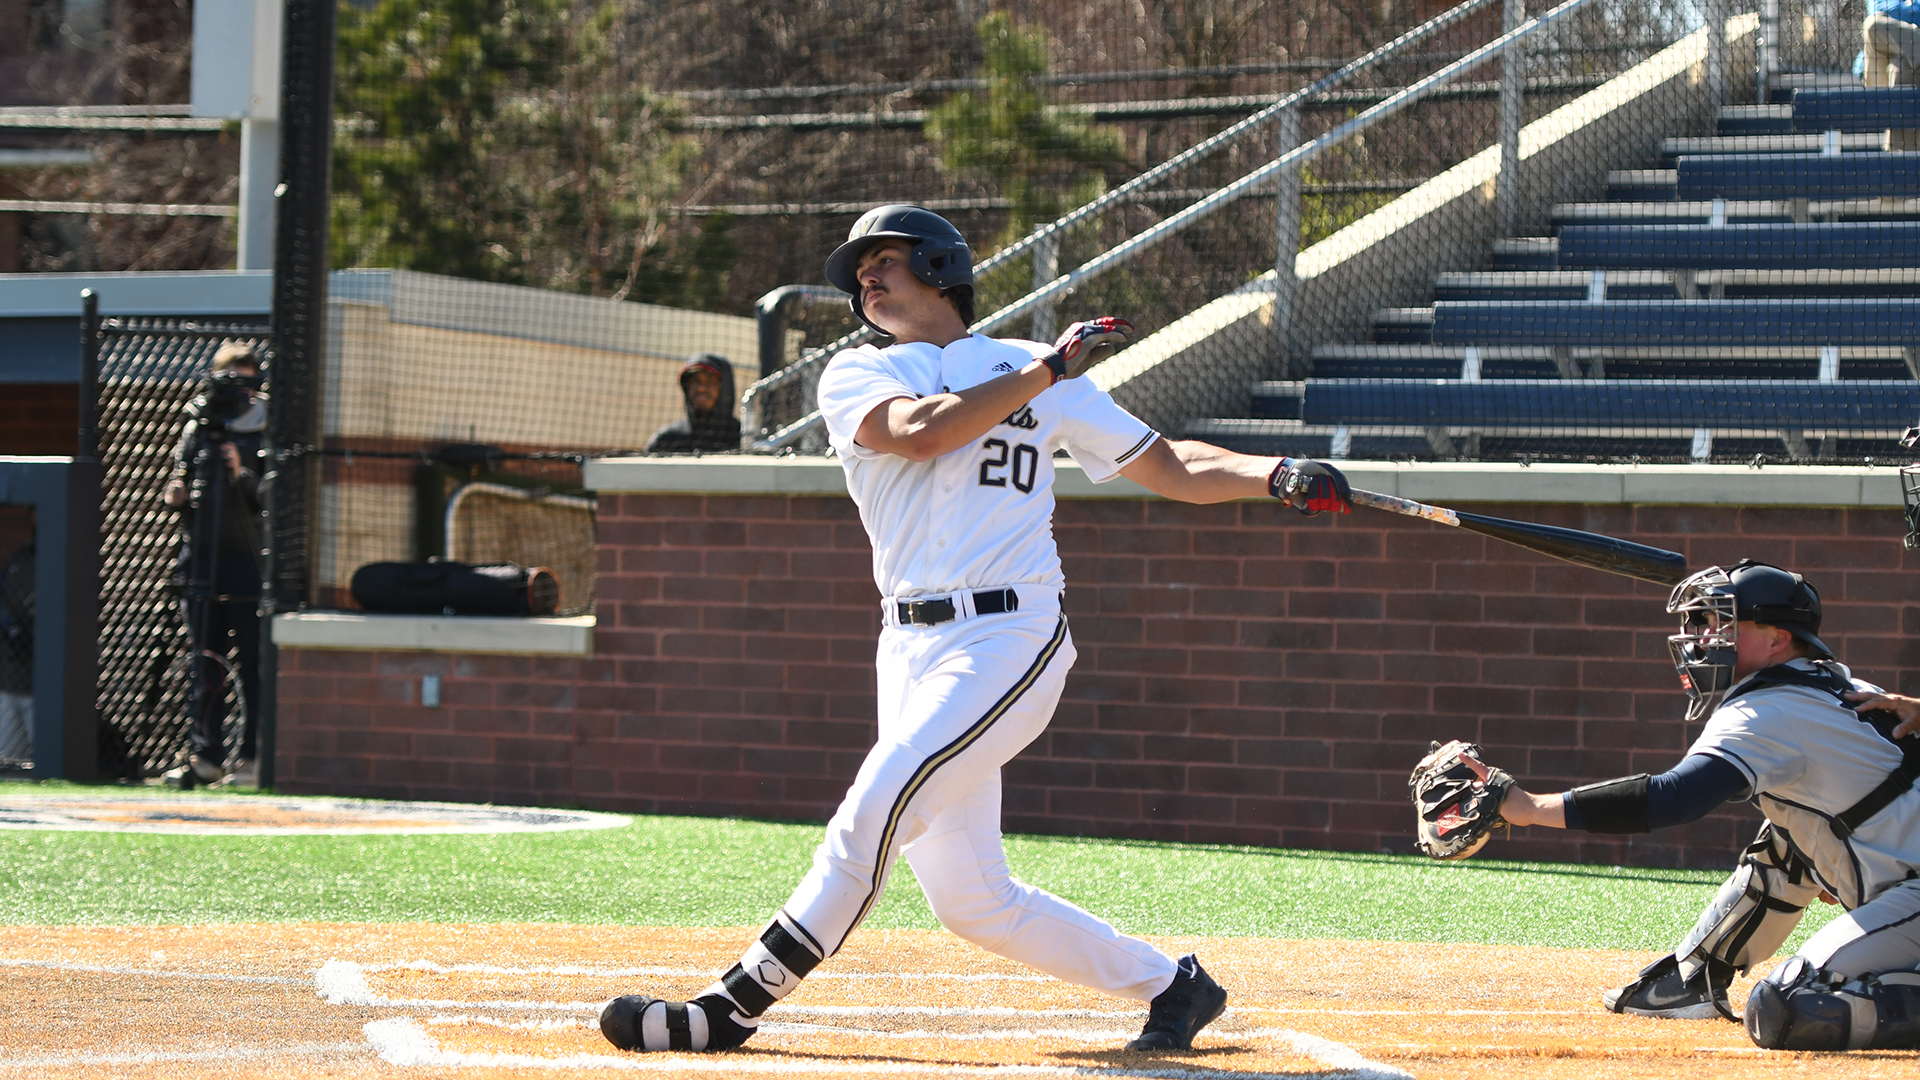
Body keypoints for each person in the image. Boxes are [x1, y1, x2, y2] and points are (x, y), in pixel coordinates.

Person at [598, 204, 1355, 1056]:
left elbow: (1170, 462)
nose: (866, 278)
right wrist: (1044, 371)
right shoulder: (858, 372)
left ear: (938, 264)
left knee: (877, 802)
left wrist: (1275, 472)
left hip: (1010, 633)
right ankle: (1172, 986)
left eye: (885, 259)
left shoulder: (1037, 370)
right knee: (971, 899)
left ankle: (729, 1006)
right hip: (908, 642)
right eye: (859, 269)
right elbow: (922, 433)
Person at [1459, 559, 1920, 1051]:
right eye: (1703, 623)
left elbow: (1672, 798)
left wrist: (1527, 807)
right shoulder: (1836, 685)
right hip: (1905, 887)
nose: (1704, 638)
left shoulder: (1768, 708)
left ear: (1776, 639)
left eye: (1723, 623)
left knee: (1789, 1005)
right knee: (1788, 840)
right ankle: (1695, 976)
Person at [160, 342, 268, 789]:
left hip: (247, 558)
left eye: (244, 382)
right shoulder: (197, 424)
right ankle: (205, 755)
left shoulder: (267, 428)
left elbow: (270, 498)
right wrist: (176, 492)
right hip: (201, 556)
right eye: (229, 380)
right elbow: (180, 477)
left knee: (252, 660)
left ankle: (253, 757)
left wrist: (242, 471)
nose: (236, 393)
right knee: (205, 661)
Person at [645, 353, 740, 453]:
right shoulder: (666, 440)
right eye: (695, 382)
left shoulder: (743, 439)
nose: (701, 388)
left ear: (725, 389)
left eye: (709, 382)